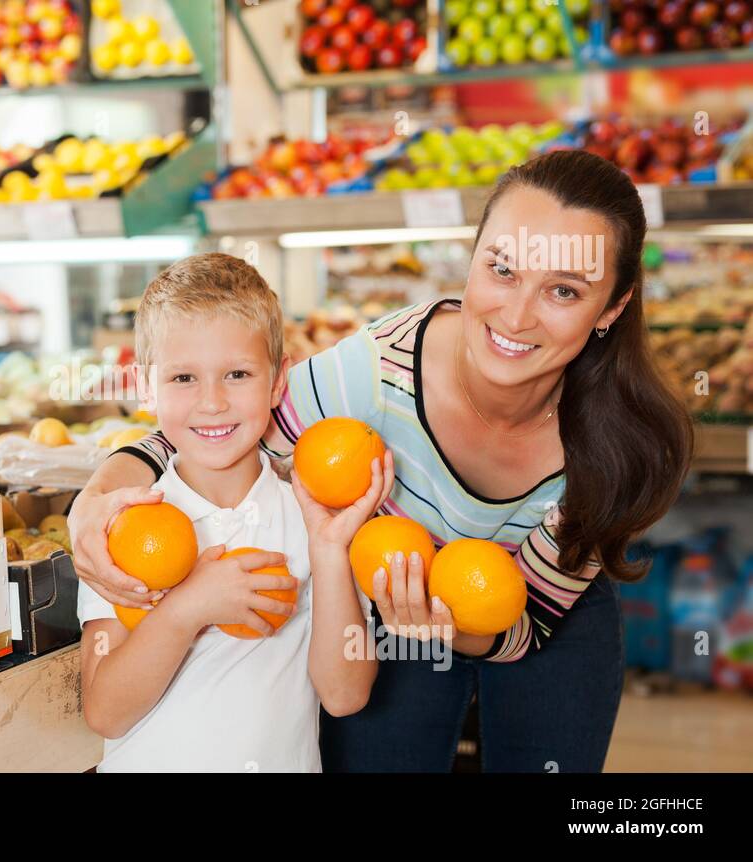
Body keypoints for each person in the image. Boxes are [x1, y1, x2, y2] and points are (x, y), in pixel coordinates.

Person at [69, 150, 694, 772]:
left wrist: (451, 626)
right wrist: (95, 503)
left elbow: (518, 627)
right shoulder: (378, 371)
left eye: (563, 290)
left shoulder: (620, 452)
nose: (517, 313)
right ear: (471, 258)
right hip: (384, 592)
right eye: (502, 270)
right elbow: (225, 428)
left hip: (521, 613)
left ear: (612, 307)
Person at [77, 253, 391, 772]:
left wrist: (330, 552)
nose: (213, 402)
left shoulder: (313, 518)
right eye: (183, 379)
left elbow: (344, 694)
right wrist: (187, 609)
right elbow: (106, 712)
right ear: (144, 385)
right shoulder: (120, 526)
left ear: (276, 382)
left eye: (237, 374)